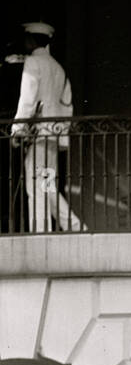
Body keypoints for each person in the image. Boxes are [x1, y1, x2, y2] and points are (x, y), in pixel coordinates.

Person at [10, 21, 82, 233]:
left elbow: (28, 99)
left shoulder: (33, 63)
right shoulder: (58, 68)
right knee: (47, 187)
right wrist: (62, 136)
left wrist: (17, 130)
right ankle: (76, 227)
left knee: (36, 187)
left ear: (31, 40)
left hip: (38, 136)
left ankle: (40, 233)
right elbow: (67, 106)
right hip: (52, 137)